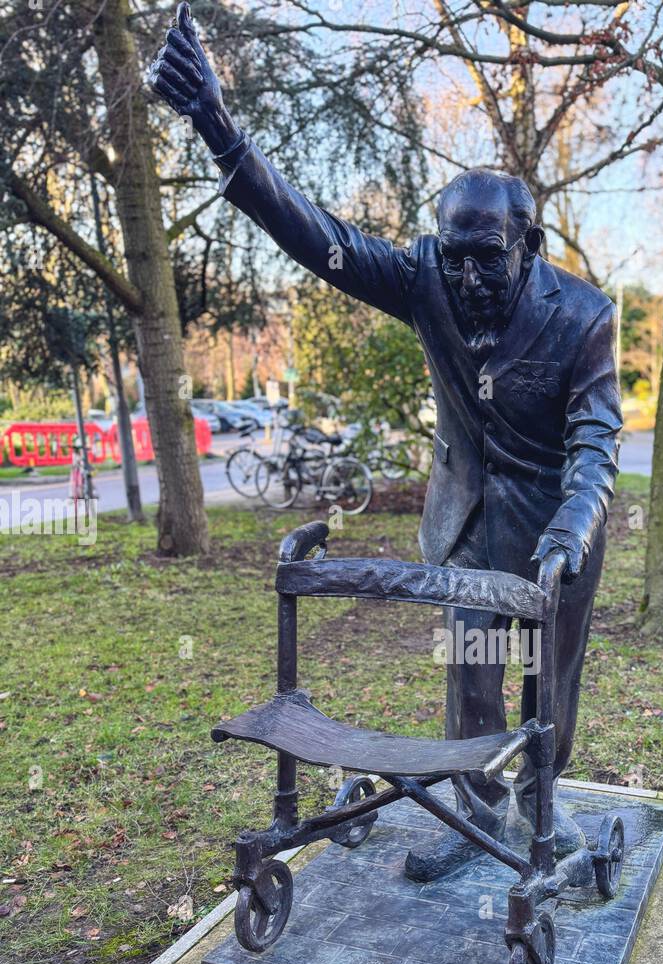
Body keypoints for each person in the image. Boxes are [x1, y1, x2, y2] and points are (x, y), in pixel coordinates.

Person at [150, 4, 622, 880]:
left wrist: (571, 529)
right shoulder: (423, 280)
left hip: (560, 530)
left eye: (488, 257)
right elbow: (317, 237)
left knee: (549, 686)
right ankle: (475, 816)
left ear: (529, 244)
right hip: (468, 524)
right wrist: (219, 128)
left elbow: (597, 441)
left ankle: (538, 810)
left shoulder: (586, 317)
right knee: (472, 674)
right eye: (455, 257)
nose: (469, 277)